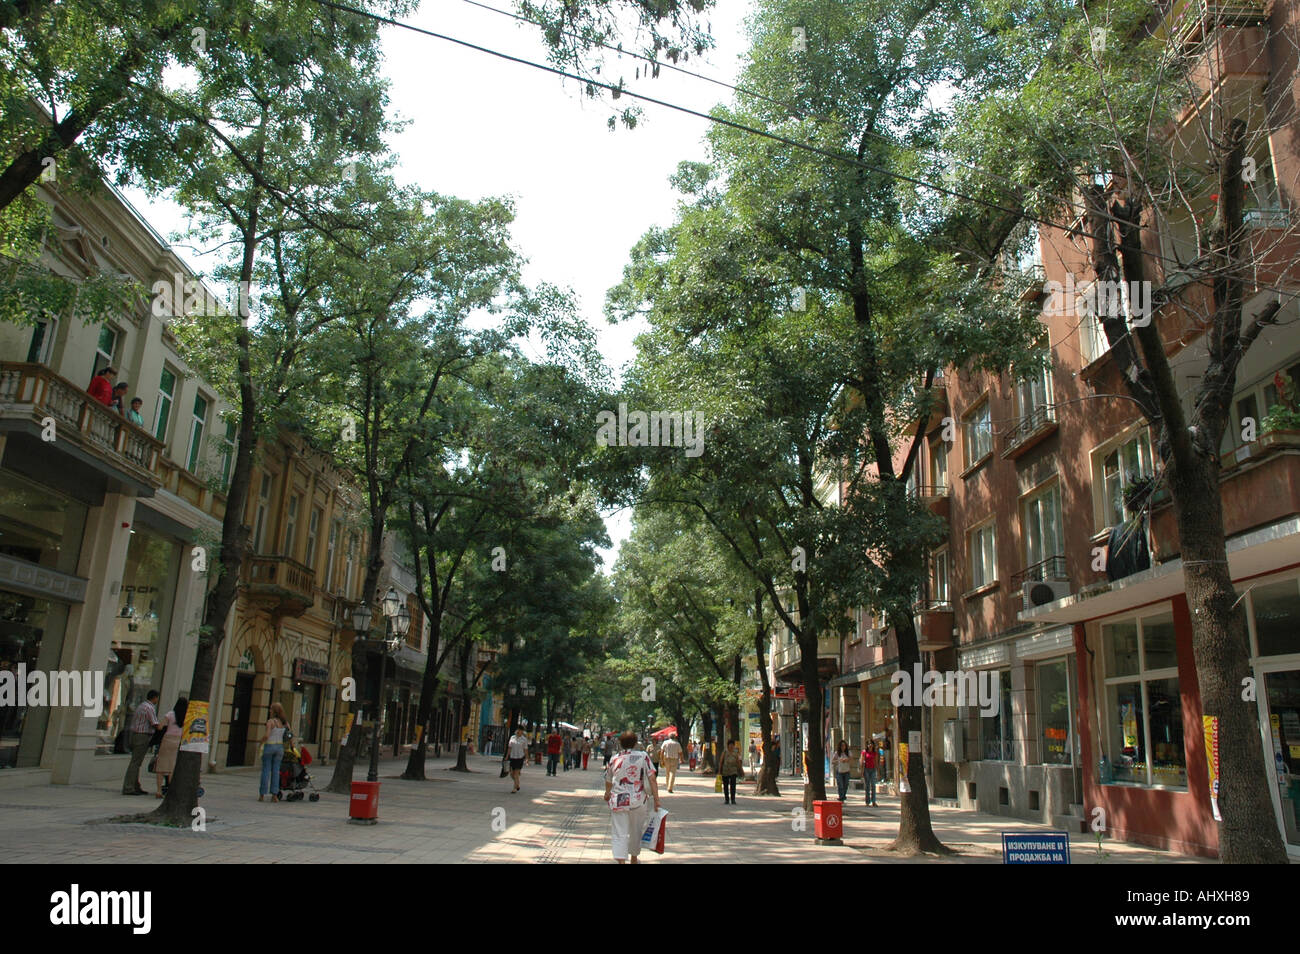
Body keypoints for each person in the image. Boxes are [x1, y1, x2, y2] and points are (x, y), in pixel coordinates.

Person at [603, 730, 660, 864]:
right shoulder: (643, 756)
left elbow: (608, 779)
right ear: (635, 743)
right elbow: (652, 778)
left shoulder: (614, 758)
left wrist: (607, 794)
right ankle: (634, 858)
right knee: (636, 829)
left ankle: (621, 861)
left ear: (621, 744)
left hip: (619, 800)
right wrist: (657, 800)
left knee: (619, 832)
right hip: (638, 800)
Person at [122, 690, 162, 795]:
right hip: (142, 736)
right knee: (135, 763)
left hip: (136, 735)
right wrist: (162, 727)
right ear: (154, 698)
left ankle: (135, 785)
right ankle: (129, 787)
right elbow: (154, 723)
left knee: (136, 762)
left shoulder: (141, 706)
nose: (157, 700)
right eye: (157, 698)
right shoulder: (149, 708)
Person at [153, 697, 186, 798]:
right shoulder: (186, 716)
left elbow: (160, 726)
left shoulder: (170, 714)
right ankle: (171, 791)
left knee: (161, 766)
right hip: (178, 741)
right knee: (172, 767)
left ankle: (159, 790)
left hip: (167, 740)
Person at [259, 702, 289, 802]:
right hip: (279, 747)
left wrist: (261, 742)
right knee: (276, 771)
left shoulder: (271, 722)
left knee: (266, 770)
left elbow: (267, 735)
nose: (269, 710)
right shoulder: (284, 723)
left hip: (270, 745)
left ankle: (262, 794)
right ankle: (274, 795)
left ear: (274, 711)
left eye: (271, 709)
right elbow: (290, 735)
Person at [718, 739, 744, 805]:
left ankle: (733, 799)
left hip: (733, 770)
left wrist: (741, 770)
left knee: (733, 786)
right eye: (730, 745)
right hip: (725, 770)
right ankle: (727, 799)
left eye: (732, 745)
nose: (731, 746)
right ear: (728, 745)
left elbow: (738, 762)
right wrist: (719, 771)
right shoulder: (725, 752)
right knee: (726, 786)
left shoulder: (735, 753)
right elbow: (721, 761)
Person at [507, 727, 528, 793]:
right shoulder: (512, 737)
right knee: (511, 774)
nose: (518, 731)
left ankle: (514, 788)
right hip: (512, 757)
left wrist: (527, 758)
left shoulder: (524, 739)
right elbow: (509, 747)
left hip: (519, 758)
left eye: (520, 730)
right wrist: (507, 756)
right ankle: (517, 784)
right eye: (517, 730)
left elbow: (525, 749)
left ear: (522, 731)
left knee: (516, 773)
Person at [861, 742, 878, 806]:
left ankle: (874, 801)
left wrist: (877, 771)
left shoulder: (874, 753)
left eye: (871, 744)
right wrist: (862, 771)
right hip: (866, 770)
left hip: (873, 770)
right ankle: (867, 802)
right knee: (867, 786)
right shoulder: (864, 752)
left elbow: (876, 762)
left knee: (873, 785)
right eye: (869, 744)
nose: (870, 745)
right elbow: (862, 762)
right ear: (867, 745)